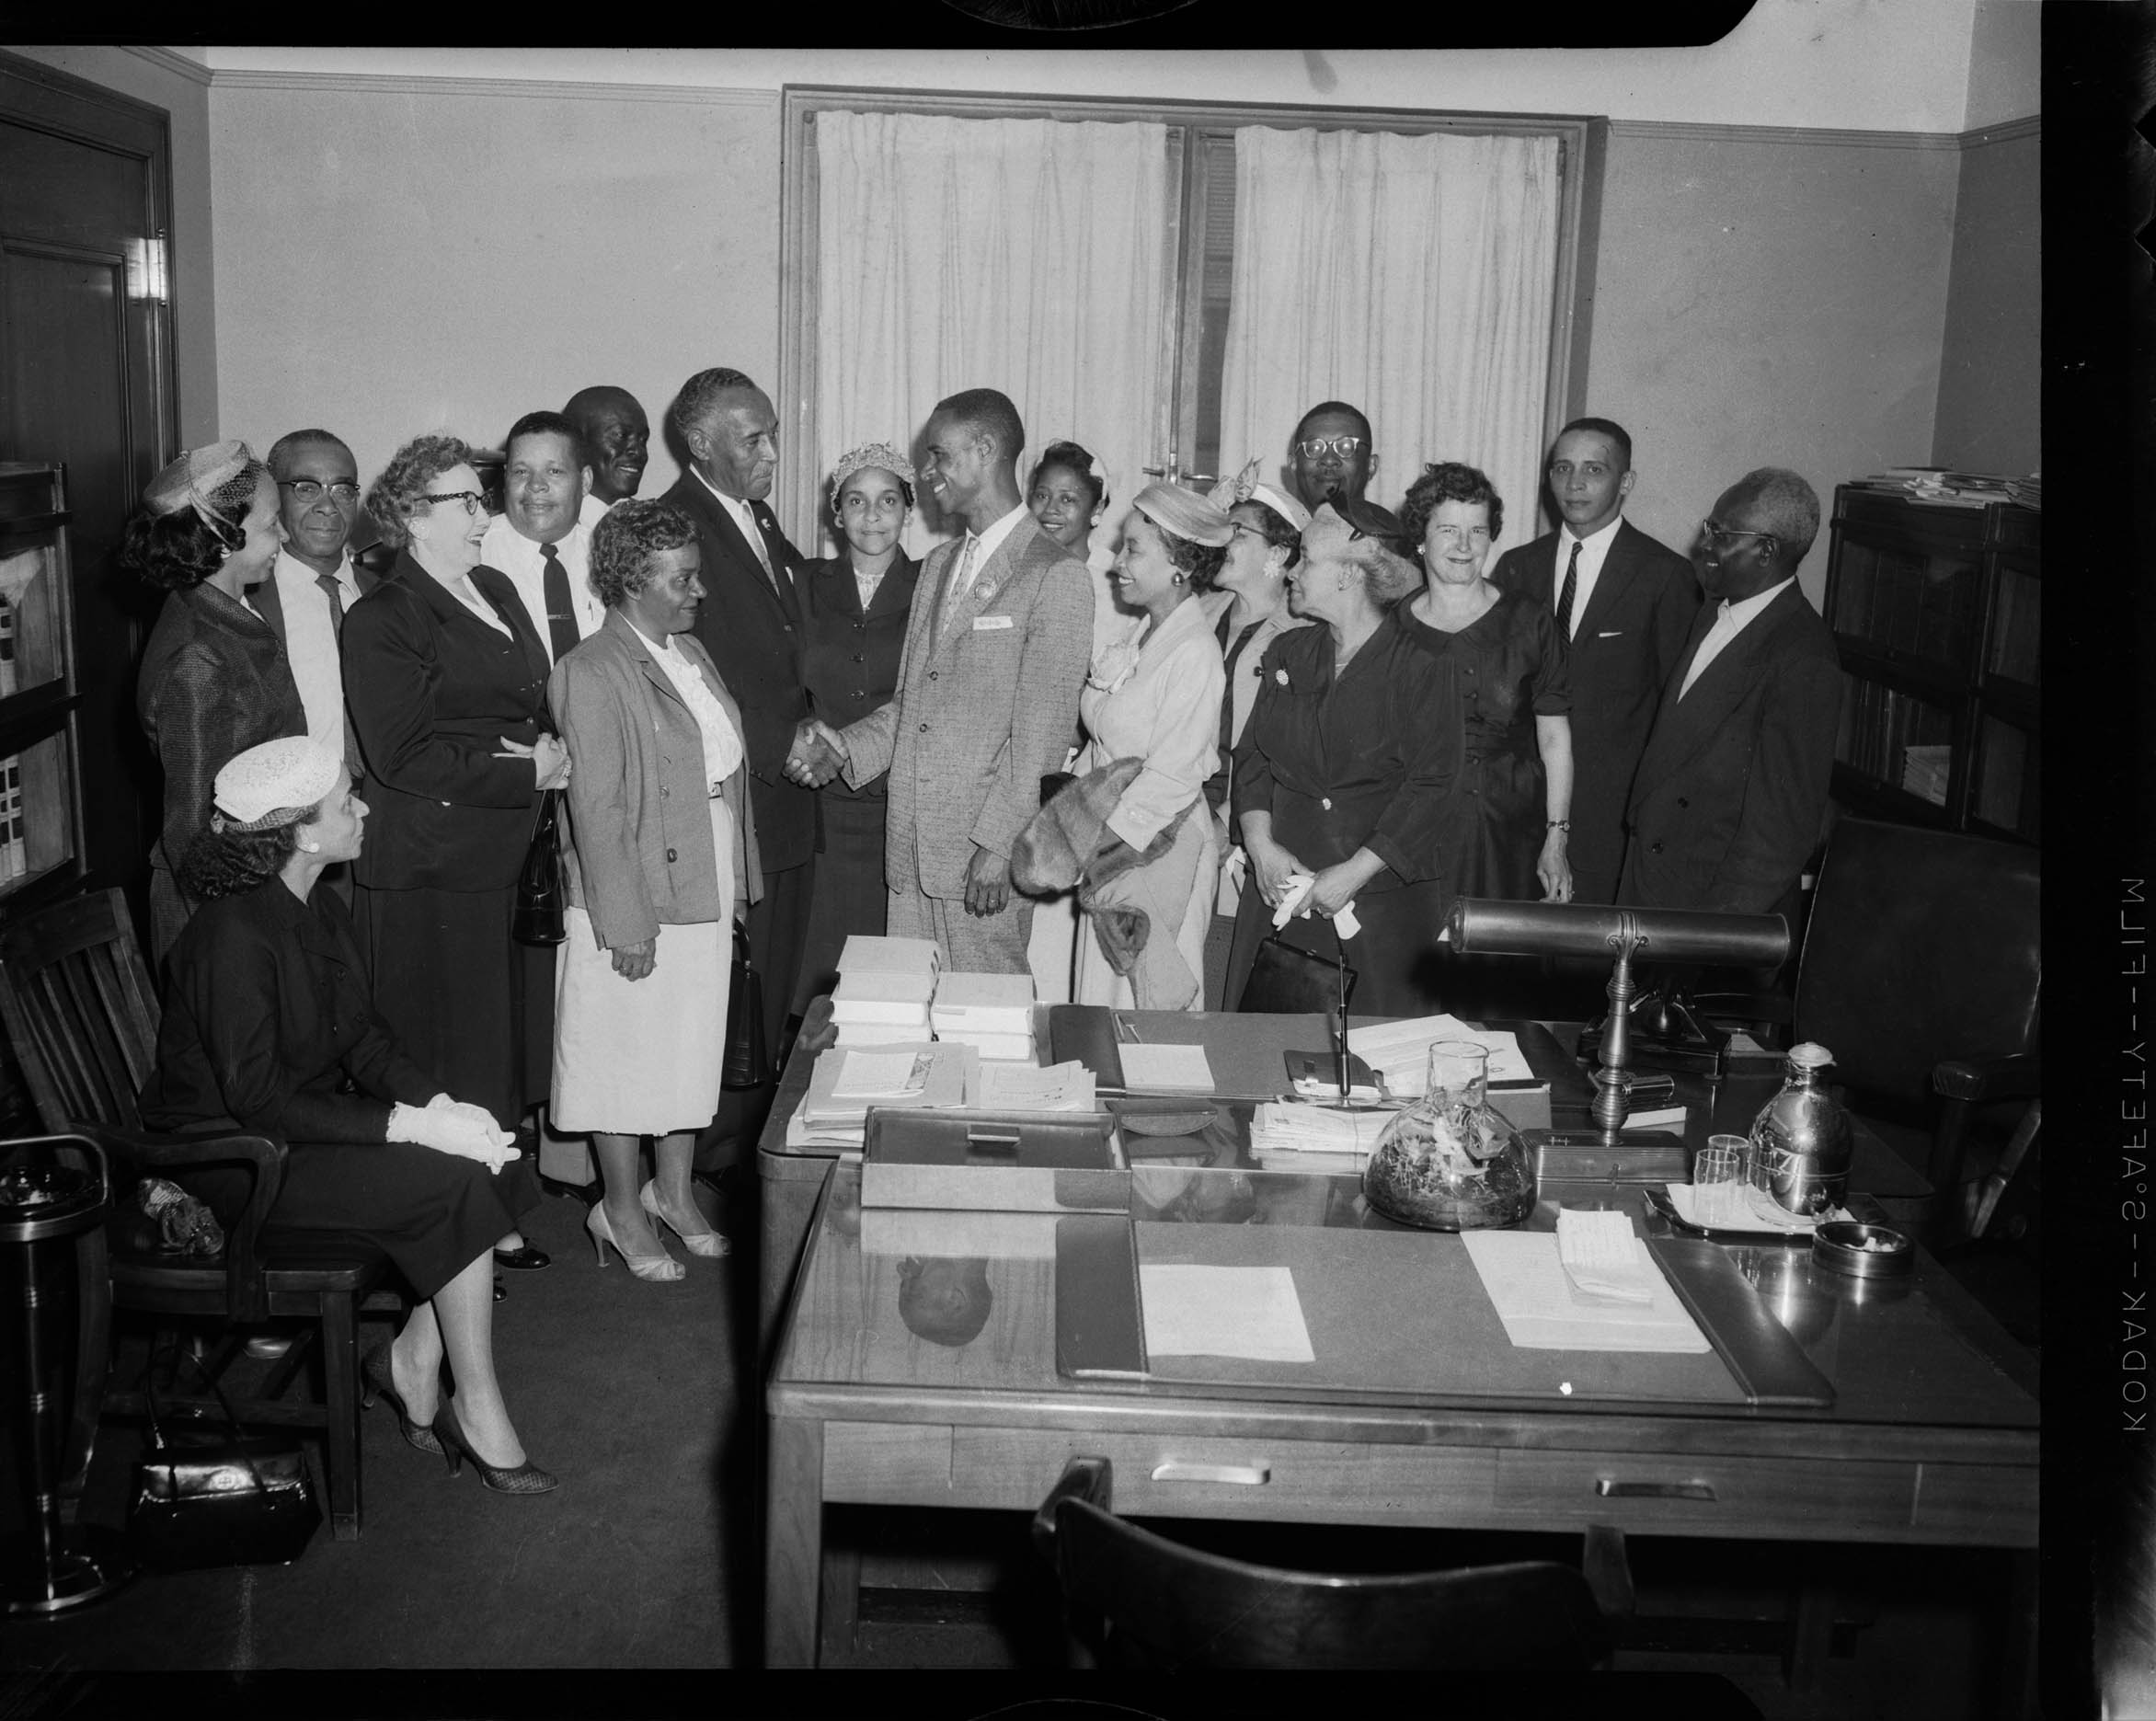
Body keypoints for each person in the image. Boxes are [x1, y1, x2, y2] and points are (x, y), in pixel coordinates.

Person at [138, 737, 554, 1493]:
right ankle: (475, 1402)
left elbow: (363, 1039)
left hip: (293, 1133)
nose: (363, 808)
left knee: (488, 1151)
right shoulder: (230, 937)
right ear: (299, 834)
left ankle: (413, 1358)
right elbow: (259, 1100)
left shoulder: (314, 904)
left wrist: (440, 1105)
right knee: (449, 1180)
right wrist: (407, 1126)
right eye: (345, 802)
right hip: (234, 1163)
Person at [341, 432, 564, 1276]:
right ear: (411, 517)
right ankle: (451, 1229)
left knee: (494, 1045)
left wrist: (545, 749)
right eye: (465, 501)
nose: (484, 514)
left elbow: (522, 700)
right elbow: (401, 755)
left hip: (499, 852)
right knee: (446, 1053)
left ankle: (490, 1205)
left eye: (482, 497)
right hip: (429, 867)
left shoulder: (493, 586)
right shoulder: (384, 617)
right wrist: (524, 771)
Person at [796, 388, 1093, 973]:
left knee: (984, 1013)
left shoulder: (1054, 574)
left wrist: (999, 845)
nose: (928, 471)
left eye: (939, 455)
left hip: (982, 859)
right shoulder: (938, 565)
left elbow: (1042, 738)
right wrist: (842, 748)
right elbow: (914, 704)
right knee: (910, 1012)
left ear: (985, 450)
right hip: (910, 854)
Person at [548, 499, 761, 1280]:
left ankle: (673, 1192)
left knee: (687, 1045)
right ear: (633, 583)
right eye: (682, 578)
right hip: (631, 881)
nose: (698, 590)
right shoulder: (590, 670)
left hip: (704, 864)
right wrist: (625, 919)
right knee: (623, 1051)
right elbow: (596, 809)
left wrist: (740, 880)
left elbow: (728, 773)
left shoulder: (690, 652)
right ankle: (620, 1207)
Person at [1224, 499, 1461, 1017]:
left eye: (1306, 559)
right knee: (1265, 1043)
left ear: (1349, 575)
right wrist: (1260, 846)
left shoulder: (1425, 665)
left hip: (1376, 898)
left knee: (1373, 1050)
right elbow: (1254, 758)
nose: (1292, 571)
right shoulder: (1289, 653)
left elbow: (1433, 787)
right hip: (1281, 885)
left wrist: (1353, 874)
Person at [661, 369, 818, 1115]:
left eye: (772, 435)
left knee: (772, 983)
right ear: (701, 442)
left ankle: (745, 1141)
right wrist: (782, 740)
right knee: (730, 994)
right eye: (753, 439)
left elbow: (787, 635)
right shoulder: (674, 525)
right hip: (738, 793)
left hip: (785, 793)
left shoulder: (755, 515)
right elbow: (685, 666)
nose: (772, 453)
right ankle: (714, 1152)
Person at [1489, 419, 1700, 904]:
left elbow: (1677, 713)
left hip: (1609, 816)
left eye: (1594, 469)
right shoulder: (1517, 566)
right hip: (1519, 806)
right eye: (1562, 468)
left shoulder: (1665, 575)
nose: (1575, 483)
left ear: (1626, 482)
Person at [1395, 462, 1574, 1016]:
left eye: (1477, 530)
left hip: (1507, 834)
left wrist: (1557, 838)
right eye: (1448, 529)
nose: (1464, 545)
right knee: (1414, 991)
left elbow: (1554, 739)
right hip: (1417, 831)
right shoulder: (1392, 627)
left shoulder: (1530, 622)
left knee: (1498, 995)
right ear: (1421, 538)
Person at [1622, 468, 1840, 917]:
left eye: (1720, 534)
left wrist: (1705, 942)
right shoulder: (1712, 612)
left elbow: (1778, 839)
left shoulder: (1804, 657)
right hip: (1652, 881)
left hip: (1704, 912)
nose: (1704, 545)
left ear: (1766, 551)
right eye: (1709, 529)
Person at [121, 440, 306, 961]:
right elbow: (192, 830)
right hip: (217, 916)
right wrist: (239, 937)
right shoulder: (197, 656)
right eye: (271, 523)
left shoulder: (222, 611)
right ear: (225, 538)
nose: (285, 535)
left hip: (257, 886)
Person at [1070, 484, 1230, 1011]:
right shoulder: (1144, 632)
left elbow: (1173, 775)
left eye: (1134, 549)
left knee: (1152, 1004)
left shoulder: (1196, 651)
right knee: (1106, 999)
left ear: (1181, 564)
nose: (1118, 562)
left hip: (1157, 843)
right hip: (1113, 841)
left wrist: (1106, 846)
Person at [792, 443, 923, 1009]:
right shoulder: (803, 582)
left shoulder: (933, 586)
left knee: (887, 975)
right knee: (817, 970)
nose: (872, 516)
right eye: (857, 501)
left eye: (888, 501)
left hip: (899, 801)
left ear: (908, 510)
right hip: (816, 800)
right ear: (836, 512)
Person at [1198, 462, 1311, 1005]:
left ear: (1278, 554)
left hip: (1239, 831)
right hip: (1179, 814)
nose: (1223, 539)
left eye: (1238, 531)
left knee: (1220, 976)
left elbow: (1275, 751)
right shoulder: (1199, 612)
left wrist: (1224, 822)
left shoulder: (1303, 636)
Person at [253, 430, 376, 783]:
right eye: (306, 488)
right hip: (294, 804)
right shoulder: (247, 602)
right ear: (273, 496)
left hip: (384, 805)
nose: (328, 506)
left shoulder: (389, 596)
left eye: (343, 490)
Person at [479, 411, 605, 666]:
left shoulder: (610, 559)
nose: (536, 485)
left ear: (585, 481)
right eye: (521, 471)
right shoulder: (474, 557)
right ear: (505, 478)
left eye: (554, 471)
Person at [562, 384, 650, 523]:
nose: (639, 452)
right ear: (576, 443)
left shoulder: (651, 523)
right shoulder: (546, 526)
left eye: (643, 440)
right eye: (620, 436)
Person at [1286, 400, 1376, 513]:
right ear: (1293, 464)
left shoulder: (1394, 524)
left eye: (1346, 447)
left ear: (1371, 465)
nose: (1328, 460)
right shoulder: (1270, 523)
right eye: (1314, 448)